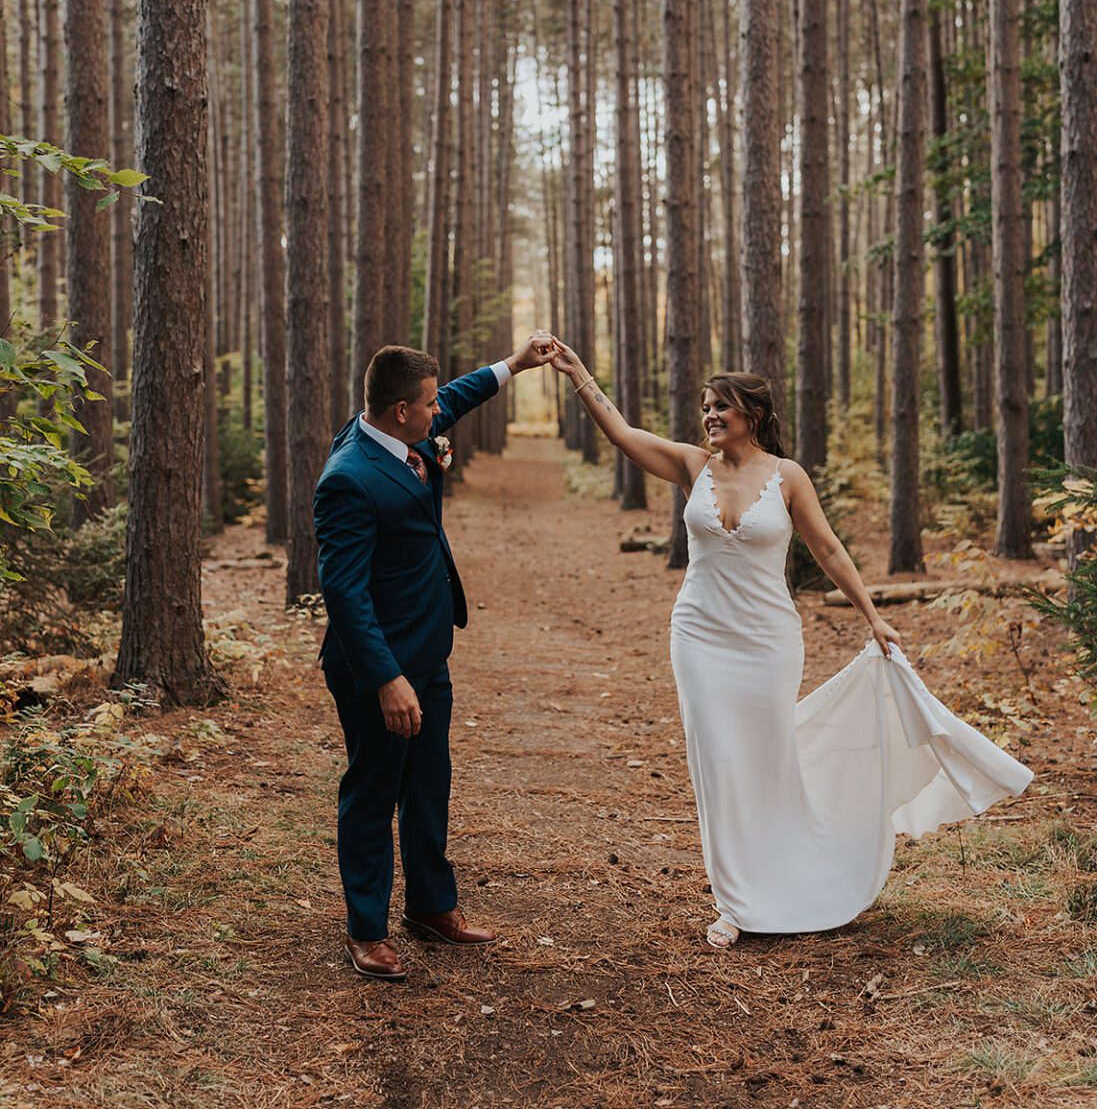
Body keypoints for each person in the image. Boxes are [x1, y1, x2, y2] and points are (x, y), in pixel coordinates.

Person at [547, 340, 1033, 948]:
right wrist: (578, 372)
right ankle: (735, 900)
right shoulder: (691, 467)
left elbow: (827, 548)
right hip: (698, 634)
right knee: (716, 762)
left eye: (721, 407)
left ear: (752, 413)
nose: (710, 417)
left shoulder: (787, 477)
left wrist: (872, 616)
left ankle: (791, 870)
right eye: (705, 408)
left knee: (767, 757)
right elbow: (621, 432)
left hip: (768, 640)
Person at [314, 335, 553, 981]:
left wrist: (516, 364)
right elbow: (343, 590)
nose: (436, 410)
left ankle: (430, 905)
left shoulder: (402, 432)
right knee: (372, 790)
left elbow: (457, 396)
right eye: (426, 404)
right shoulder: (348, 479)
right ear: (398, 412)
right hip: (379, 667)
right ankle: (366, 929)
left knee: (428, 783)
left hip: (428, 651)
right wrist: (386, 678)